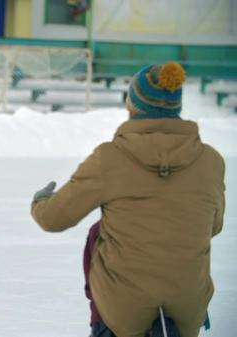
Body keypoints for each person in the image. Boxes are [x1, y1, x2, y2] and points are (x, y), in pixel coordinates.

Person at [30, 62, 225, 337]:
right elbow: (213, 226)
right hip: (187, 309)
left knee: (97, 234)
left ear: (133, 106)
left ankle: (103, 327)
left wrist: (40, 201)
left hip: (122, 311)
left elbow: (53, 219)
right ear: (176, 107)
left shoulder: (110, 158)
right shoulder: (210, 161)